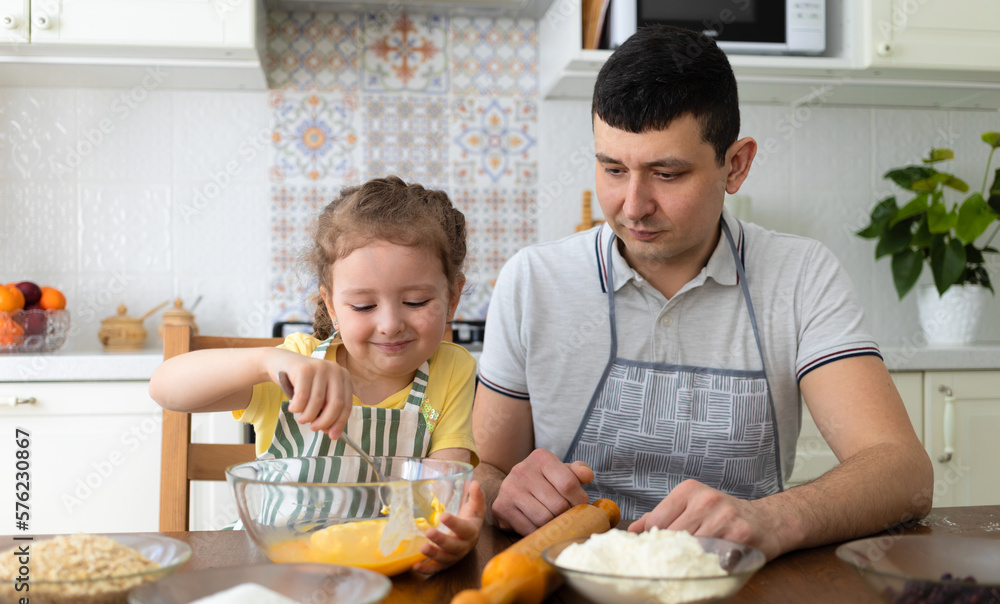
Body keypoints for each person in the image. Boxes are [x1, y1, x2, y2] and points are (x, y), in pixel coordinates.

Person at [472, 26, 933, 561]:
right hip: (565, 592)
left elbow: (903, 471)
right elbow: (484, 471)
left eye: (666, 173)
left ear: (735, 165)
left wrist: (771, 517)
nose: (633, 205)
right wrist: (502, 491)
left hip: (742, 597)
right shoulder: (533, 281)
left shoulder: (800, 275)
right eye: (613, 169)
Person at [150, 176, 485, 575]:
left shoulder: (451, 370)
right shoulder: (294, 366)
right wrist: (265, 363)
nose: (391, 324)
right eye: (363, 306)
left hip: (389, 570)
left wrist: (450, 534)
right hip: (277, 567)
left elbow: (442, 489)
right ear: (331, 304)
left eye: (416, 301)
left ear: (453, 298)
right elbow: (166, 387)